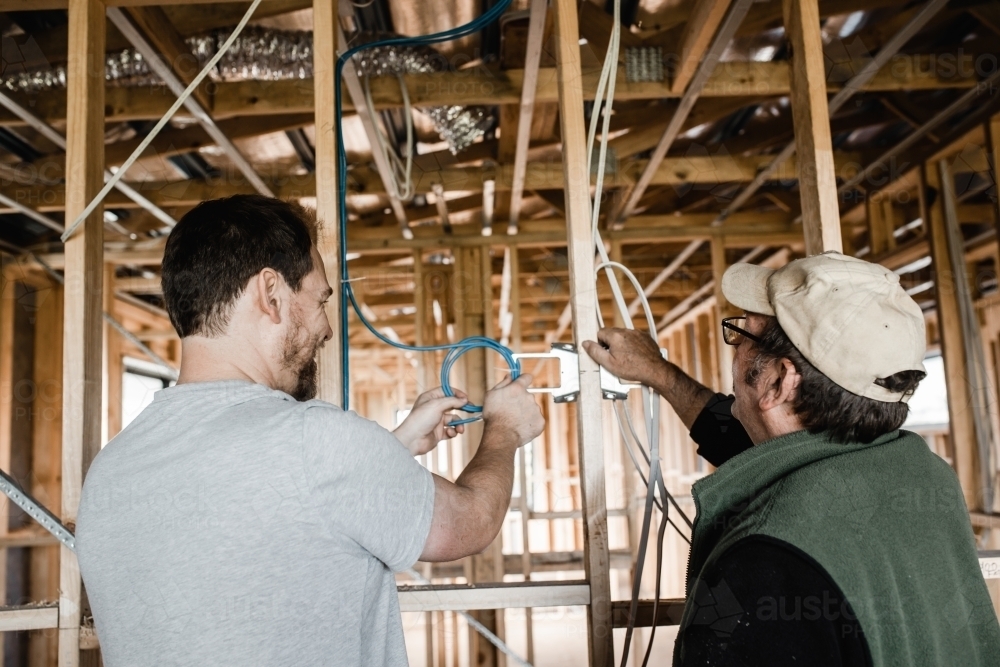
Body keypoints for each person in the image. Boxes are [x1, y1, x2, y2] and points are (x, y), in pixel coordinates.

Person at [76, 195, 545, 667]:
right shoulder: (315, 443)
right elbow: (470, 523)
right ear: (271, 293)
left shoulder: (109, 472)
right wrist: (504, 427)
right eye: (320, 298)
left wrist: (392, 449)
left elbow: (273, 507)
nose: (325, 327)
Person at [584, 251, 1000, 667]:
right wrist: (659, 372)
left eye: (742, 335)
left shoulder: (763, 565)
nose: (735, 349)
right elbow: (762, 451)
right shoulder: (926, 476)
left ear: (780, 381)